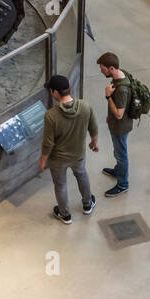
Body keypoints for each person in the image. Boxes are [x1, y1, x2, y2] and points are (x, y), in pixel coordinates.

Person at [39, 75, 99, 224]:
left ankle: (65, 214)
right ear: (69, 88)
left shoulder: (51, 115)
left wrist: (43, 159)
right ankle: (87, 204)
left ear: (54, 93)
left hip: (58, 159)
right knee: (81, 174)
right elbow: (94, 127)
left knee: (61, 185)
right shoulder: (85, 106)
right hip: (78, 154)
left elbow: (48, 142)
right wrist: (94, 143)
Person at [96, 51, 133, 197]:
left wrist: (108, 96)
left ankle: (123, 184)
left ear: (111, 68)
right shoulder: (121, 74)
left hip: (120, 127)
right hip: (117, 124)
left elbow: (119, 114)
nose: (101, 71)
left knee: (121, 154)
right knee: (118, 152)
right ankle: (118, 170)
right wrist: (108, 115)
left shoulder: (122, 89)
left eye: (103, 68)